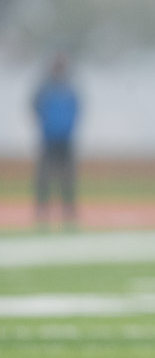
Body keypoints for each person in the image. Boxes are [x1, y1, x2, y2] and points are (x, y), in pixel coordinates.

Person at [32, 52, 80, 230]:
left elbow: (77, 109)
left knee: (67, 177)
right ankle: (42, 210)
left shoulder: (70, 89)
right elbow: (34, 107)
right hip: (48, 138)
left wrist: (68, 127)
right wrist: (45, 125)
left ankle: (68, 211)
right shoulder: (45, 88)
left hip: (66, 139)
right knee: (43, 176)